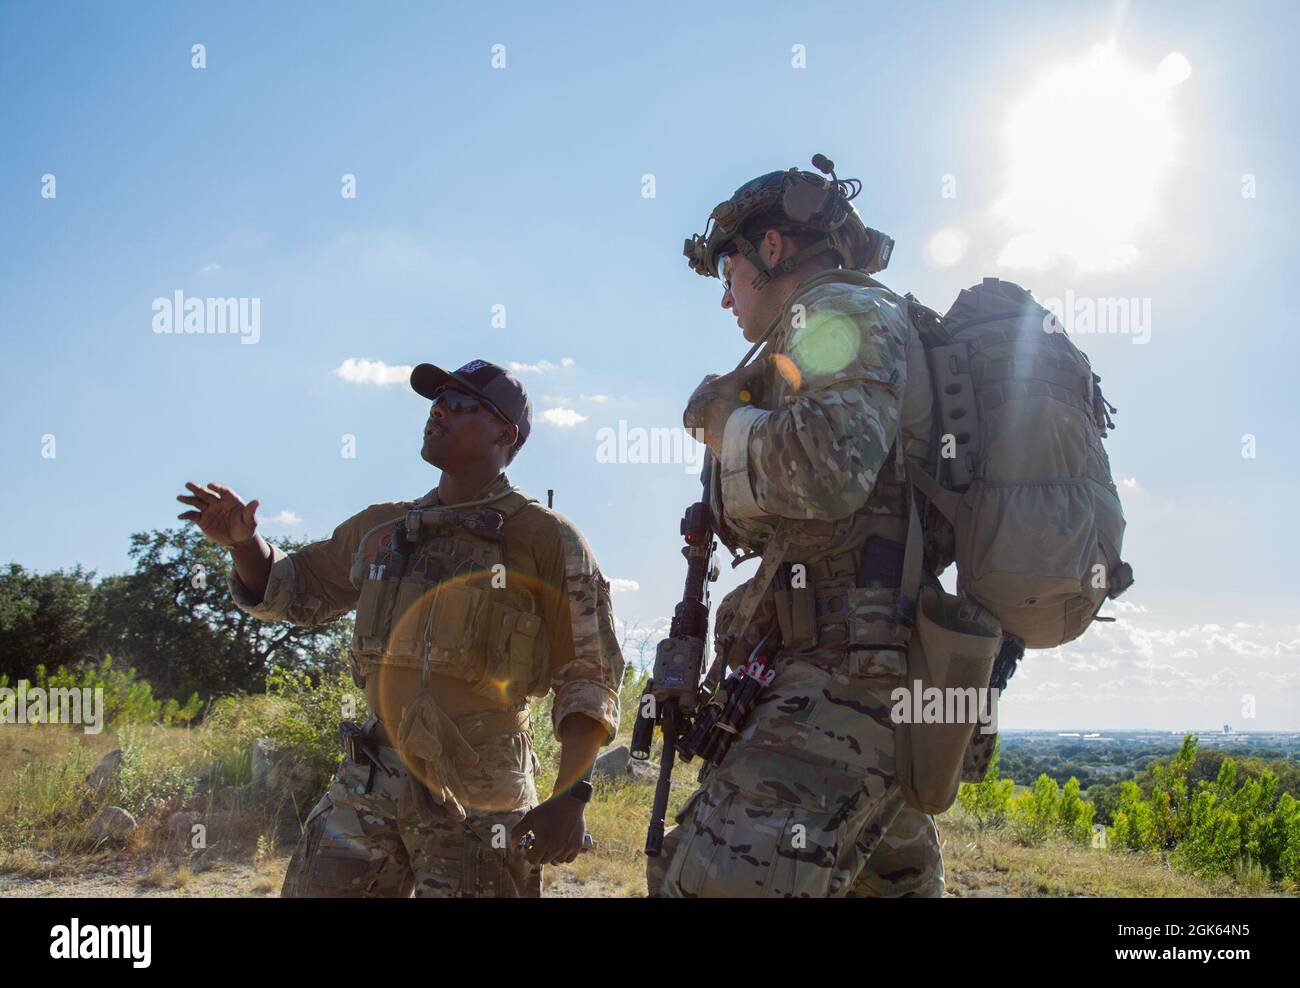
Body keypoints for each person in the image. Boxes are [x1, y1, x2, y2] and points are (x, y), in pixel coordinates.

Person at [177, 358, 624, 897]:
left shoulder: (545, 538)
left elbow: (590, 674)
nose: (439, 411)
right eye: (438, 401)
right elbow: (292, 590)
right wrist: (245, 544)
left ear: (506, 433)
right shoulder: (384, 528)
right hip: (367, 780)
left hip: (481, 793)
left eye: (461, 404)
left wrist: (571, 796)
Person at [652, 157, 948, 897]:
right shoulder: (807, 333)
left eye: (729, 271)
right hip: (848, 669)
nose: (726, 299)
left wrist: (726, 425)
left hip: (846, 675)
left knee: (711, 882)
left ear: (771, 251)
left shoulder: (835, 312)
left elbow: (828, 470)